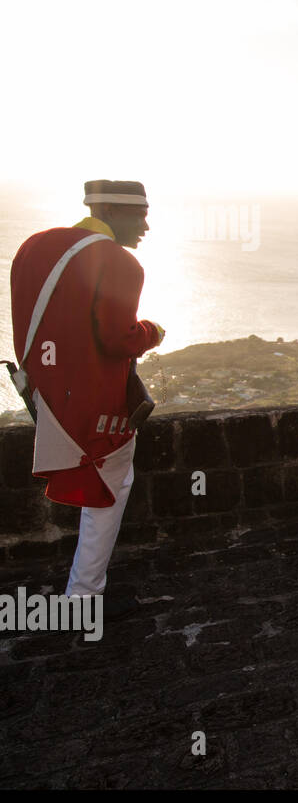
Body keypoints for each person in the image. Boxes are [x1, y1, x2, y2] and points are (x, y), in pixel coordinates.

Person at [7, 180, 165, 618]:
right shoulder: (120, 262)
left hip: (45, 393)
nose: (147, 226)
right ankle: (83, 595)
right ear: (113, 210)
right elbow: (118, 339)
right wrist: (152, 331)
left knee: (98, 483)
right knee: (111, 488)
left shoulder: (33, 247)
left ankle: (84, 589)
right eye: (141, 214)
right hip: (97, 403)